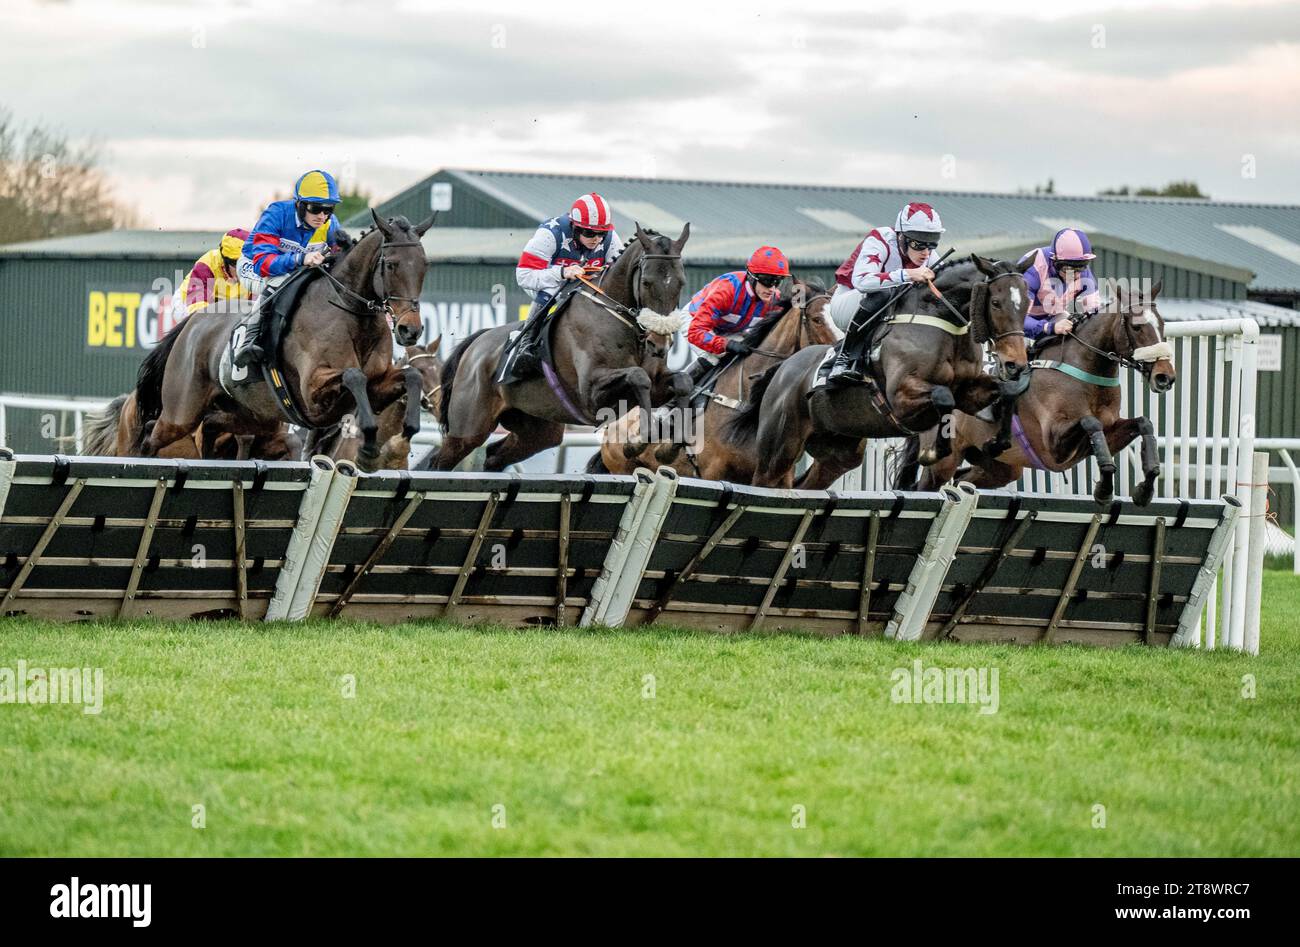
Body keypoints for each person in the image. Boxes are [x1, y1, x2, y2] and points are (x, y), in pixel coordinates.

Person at [232, 170, 350, 368]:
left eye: (328, 209)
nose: (322, 216)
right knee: (281, 282)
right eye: (315, 208)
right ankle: (249, 340)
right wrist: (300, 258)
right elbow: (264, 264)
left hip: (293, 270)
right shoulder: (276, 214)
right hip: (252, 266)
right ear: (299, 204)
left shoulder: (330, 225)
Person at [826, 202, 945, 384]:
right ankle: (844, 358)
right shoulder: (879, 239)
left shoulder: (928, 254)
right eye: (919, 245)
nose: (926, 253)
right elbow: (862, 282)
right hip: (847, 302)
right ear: (901, 237)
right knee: (883, 293)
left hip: (885, 309)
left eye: (932, 245)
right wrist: (908, 274)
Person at [509, 192, 623, 376]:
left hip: (585, 286)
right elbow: (524, 275)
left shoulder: (610, 239)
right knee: (551, 288)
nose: (597, 239)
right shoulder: (550, 234)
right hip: (545, 282)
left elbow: (617, 277)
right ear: (574, 227)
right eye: (589, 233)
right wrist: (562, 272)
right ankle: (526, 344)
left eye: (601, 233)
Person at [682, 246, 789, 384]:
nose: (772, 288)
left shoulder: (774, 301)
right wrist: (726, 344)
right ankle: (673, 398)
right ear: (751, 277)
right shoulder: (726, 291)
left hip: (727, 328)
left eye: (777, 281)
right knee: (714, 356)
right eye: (767, 280)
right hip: (694, 320)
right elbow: (696, 332)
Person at [1020, 227, 1101, 340]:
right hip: (1020, 322)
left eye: (1081, 267)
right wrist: (1050, 327)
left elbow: (1095, 312)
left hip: (1054, 316)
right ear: (1055, 262)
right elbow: (1017, 319)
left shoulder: (1082, 270)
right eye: (1069, 269)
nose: (1077, 276)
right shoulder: (1034, 269)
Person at [171, 228, 251, 320]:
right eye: (238, 265)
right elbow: (198, 308)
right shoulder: (207, 264)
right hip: (186, 303)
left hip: (222, 306)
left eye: (247, 264)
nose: (243, 271)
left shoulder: (254, 270)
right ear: (226, 261)